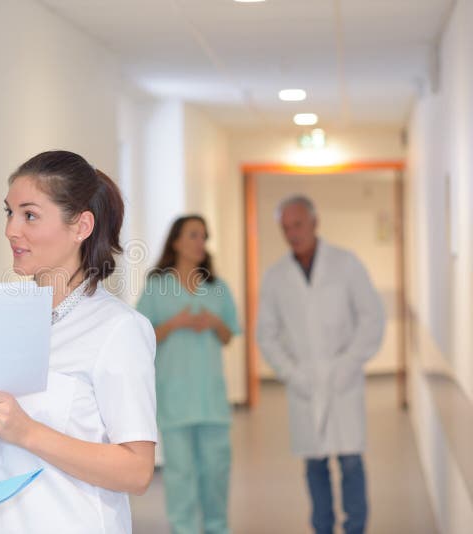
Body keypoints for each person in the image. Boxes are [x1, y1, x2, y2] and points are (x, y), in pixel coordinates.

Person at [0, 150, 157, 533]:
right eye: (9, 213)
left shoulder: (118, 328)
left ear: (81, 226)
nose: (11, 230)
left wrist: (27, 432)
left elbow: (137, 471)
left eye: (30, 215)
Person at [256, 195, 385, 534]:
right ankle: (322, 528)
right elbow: (266, 334)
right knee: (315, 466)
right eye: (285, 228)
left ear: (315, 222)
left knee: (351, 462)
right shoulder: (276, 276)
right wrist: (291, 373)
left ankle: (355, 528)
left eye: (297, 225)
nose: (292, 234)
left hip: (343, 379)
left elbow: (372, 318)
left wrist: (349, 363)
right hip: (304, 383)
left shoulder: (346, 263)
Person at [136, 215, 241, 534]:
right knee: (180, 475)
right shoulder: (157, 286)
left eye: (204, 236)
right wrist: (174, 324)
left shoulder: (217, 287)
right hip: (176, 398)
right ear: (176, 241)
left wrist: (214, 323)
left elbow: (228, 335)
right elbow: (141, 337)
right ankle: (184, 529)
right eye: (193, 235)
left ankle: (217, 528)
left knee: (216, 473)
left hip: (211, 399)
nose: (200, 243)